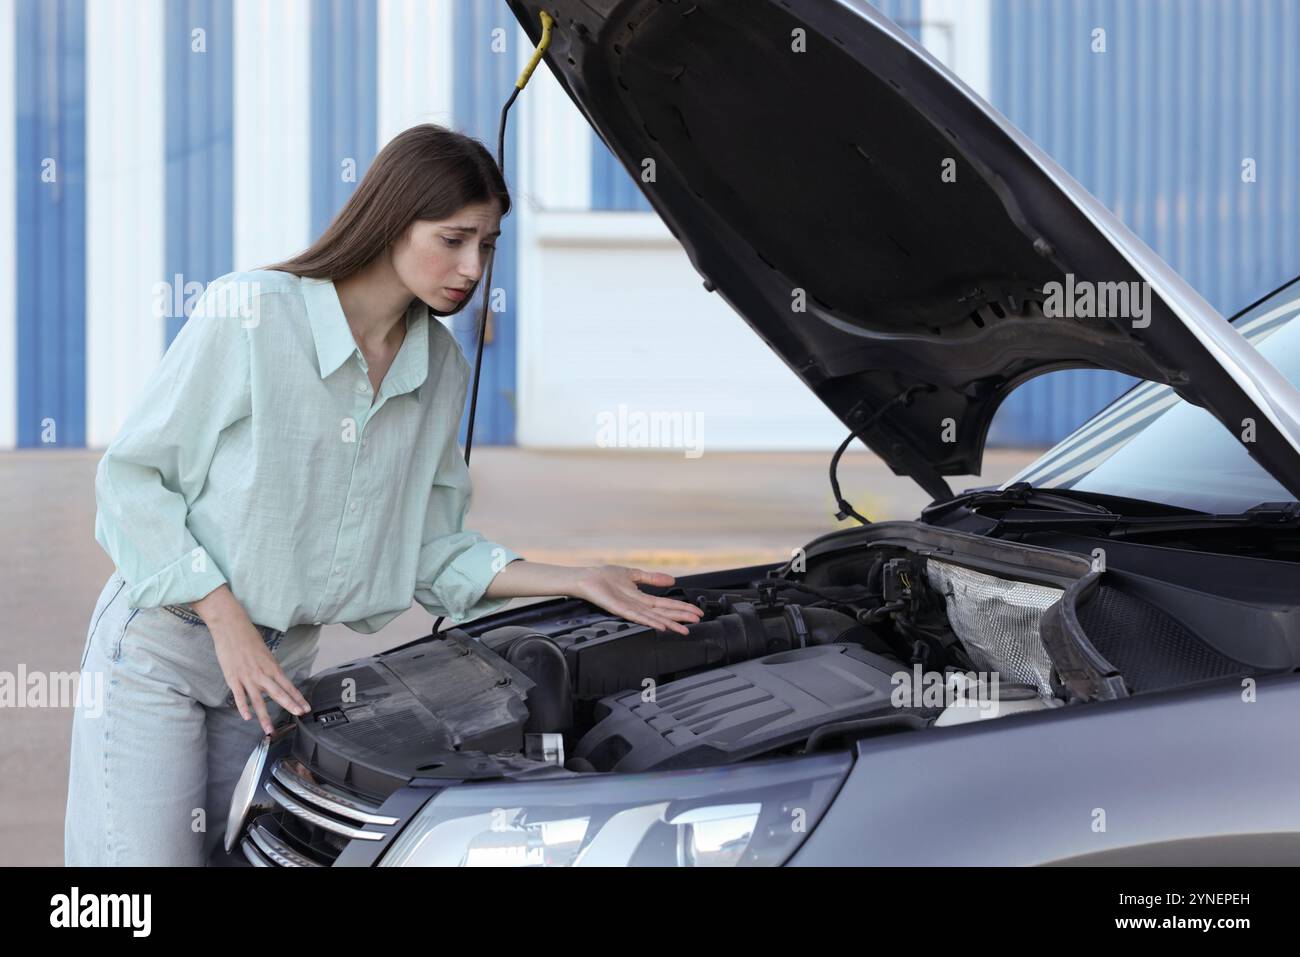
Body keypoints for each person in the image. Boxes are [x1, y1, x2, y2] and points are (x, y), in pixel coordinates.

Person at [64, 123, 704, 866]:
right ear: (393, 221)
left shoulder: (440, 371)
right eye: (454, 238)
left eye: (487, 245)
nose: (473, 267)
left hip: (276, 672)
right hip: (165, 649)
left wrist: (578, 577)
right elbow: (132, 476)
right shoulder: (252, 314)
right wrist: (224, 613)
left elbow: (432, 549)